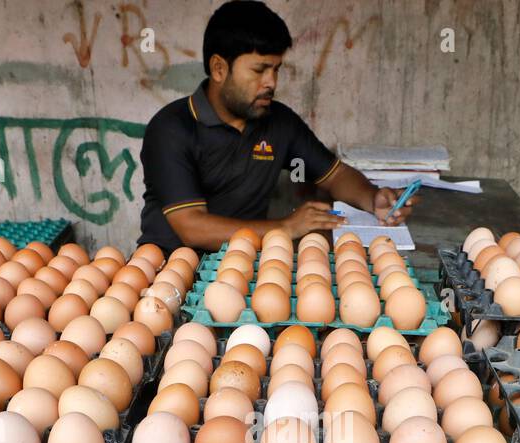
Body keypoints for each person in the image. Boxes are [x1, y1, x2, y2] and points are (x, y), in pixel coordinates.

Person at [137, 0, 417, 254]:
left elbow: (335, 176)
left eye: (276, 69)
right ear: (219, 68)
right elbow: (193, 228)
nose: (271, 82)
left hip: (246, 266)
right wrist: (285, 227)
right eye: (259, 70)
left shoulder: (278, 122)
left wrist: (372, 198)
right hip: (167, 276)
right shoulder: (172, 128)